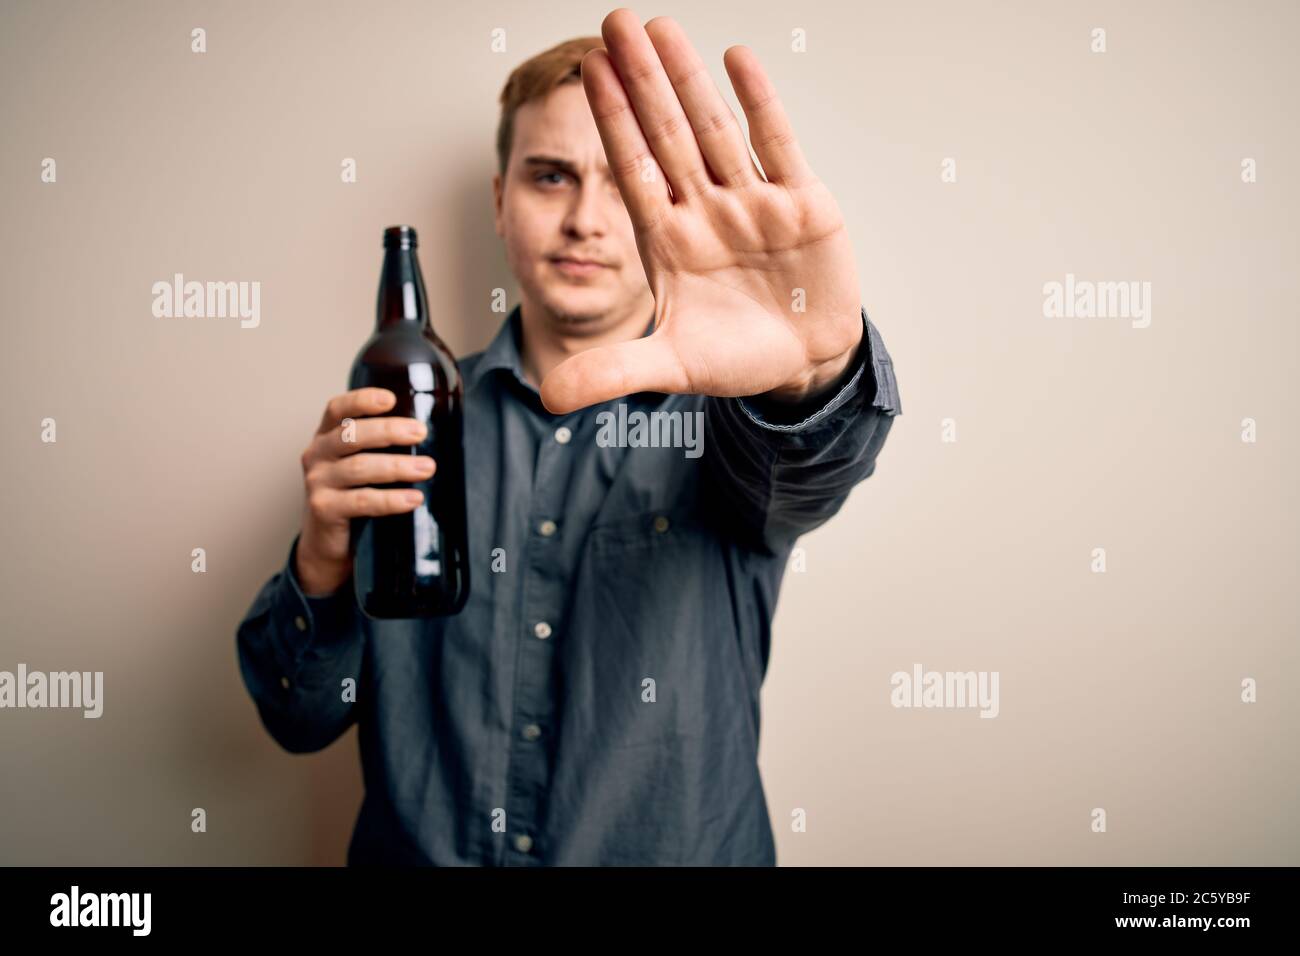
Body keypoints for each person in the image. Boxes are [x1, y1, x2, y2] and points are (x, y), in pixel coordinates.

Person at [236, 9, 901, 865]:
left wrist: (811, 369)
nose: (587, 218)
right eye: (550, 177)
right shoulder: (401, 423)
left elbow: (816, 455)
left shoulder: (738, 427)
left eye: (621, 187)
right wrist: (321, 561)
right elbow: (299, 718)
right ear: (500, 203)